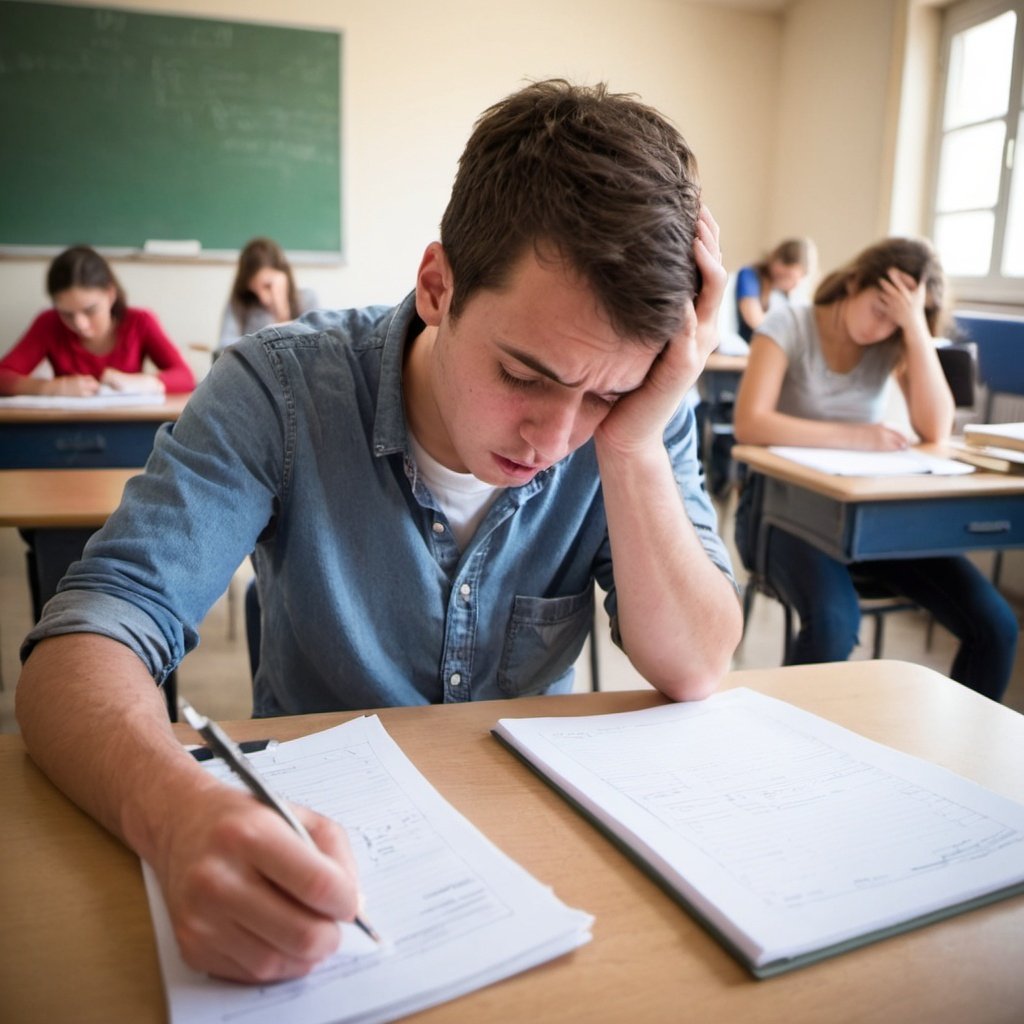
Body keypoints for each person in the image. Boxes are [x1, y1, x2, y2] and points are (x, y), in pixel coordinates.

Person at [16, 80, 742, 984]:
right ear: (438, 285)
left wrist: (632, 443)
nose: (554, 440)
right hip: (311, 850)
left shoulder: (641, 416)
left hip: (536, 861)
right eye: (524, 375)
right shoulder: (279, 391)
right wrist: (173, 811)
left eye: (603, 394)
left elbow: (695, 665)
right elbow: (83, 644)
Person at [733, 236, 1017, 701]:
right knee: (834, 625)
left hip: (865, 523)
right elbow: (750, 423)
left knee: (996, 628)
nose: (881, 327)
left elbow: (936, 428)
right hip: (780, 512)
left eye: (896, 319)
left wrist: (915, 329)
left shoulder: (895, 341)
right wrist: (854, 435)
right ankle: (783, 741)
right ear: (854, 283)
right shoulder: (790, 323)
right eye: (880, 308)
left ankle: (963, 747)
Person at [0, 246, 195, 396]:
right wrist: (51, 388)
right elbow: (3, 375)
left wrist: (146, 382)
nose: (80, 324)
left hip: (126, 425)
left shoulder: (139, 322)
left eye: (90, 310)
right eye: (67, 314)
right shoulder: (49, 323)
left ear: (110, 294)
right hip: (67, 427)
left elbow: (185, 377)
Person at [218, 237, 318, 347]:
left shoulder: (307, 298)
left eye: (267, 286)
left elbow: (316, 343)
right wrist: (265, 337)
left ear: (284, 275)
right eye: (254, 290)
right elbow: (224, 345)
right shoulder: (241, 303)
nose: (263, 298)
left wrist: (282, 310)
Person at [733, 237, 816, 344]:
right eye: (790, 277)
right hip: (750, 344)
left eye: (797, 280)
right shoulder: (750, 275)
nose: (793, 285)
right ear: (778, 263)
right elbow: (753, 318)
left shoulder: (785, 294)